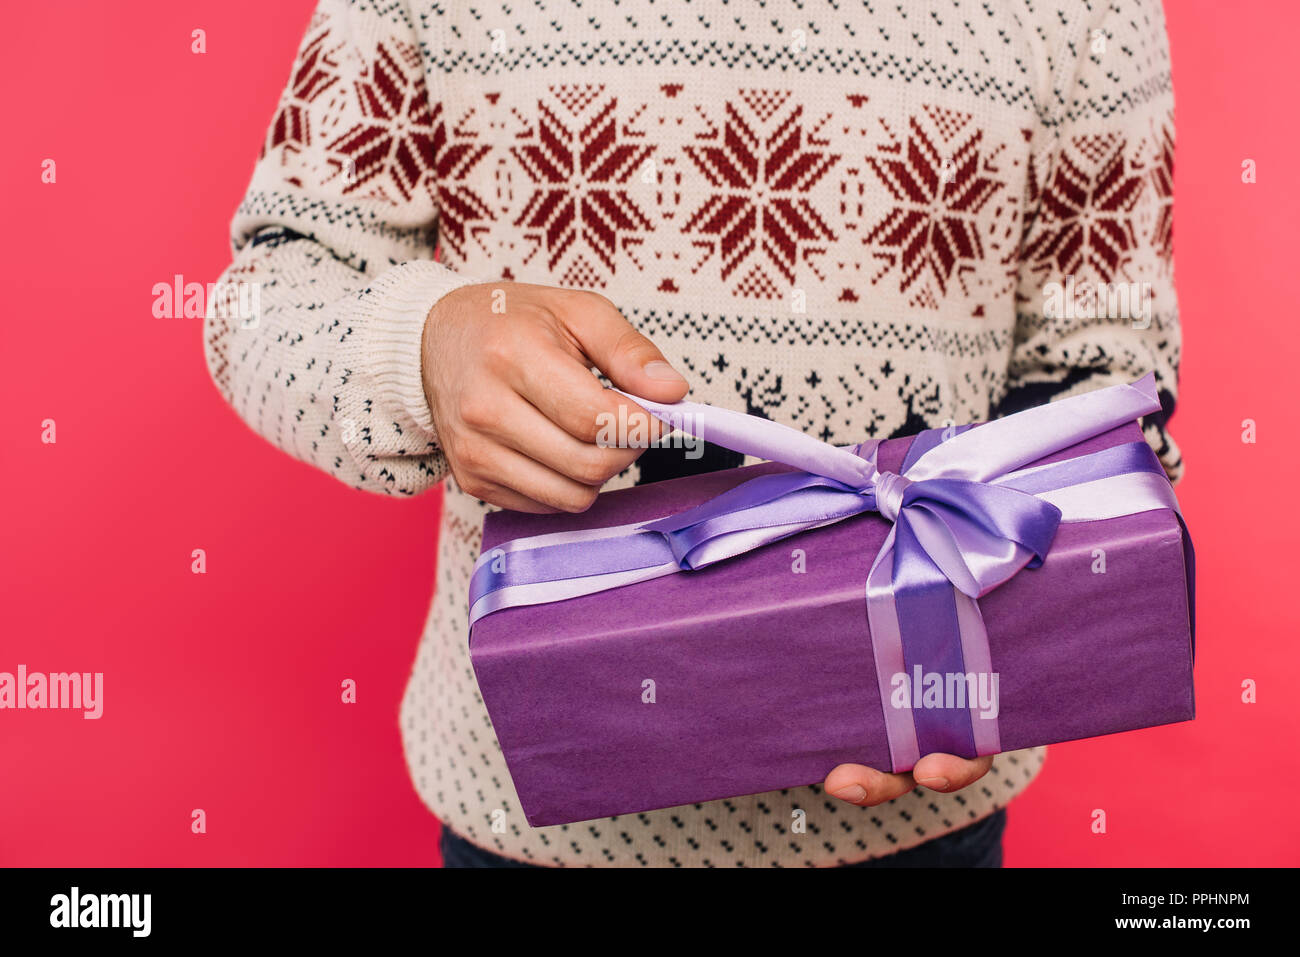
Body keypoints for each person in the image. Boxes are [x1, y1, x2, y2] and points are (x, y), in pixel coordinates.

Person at [205, 0, 1181, 867]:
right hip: (532, 819)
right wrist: (420, 345)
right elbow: (265, 300)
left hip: (923, 834)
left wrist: (1020, 645)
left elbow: (1104, 371)